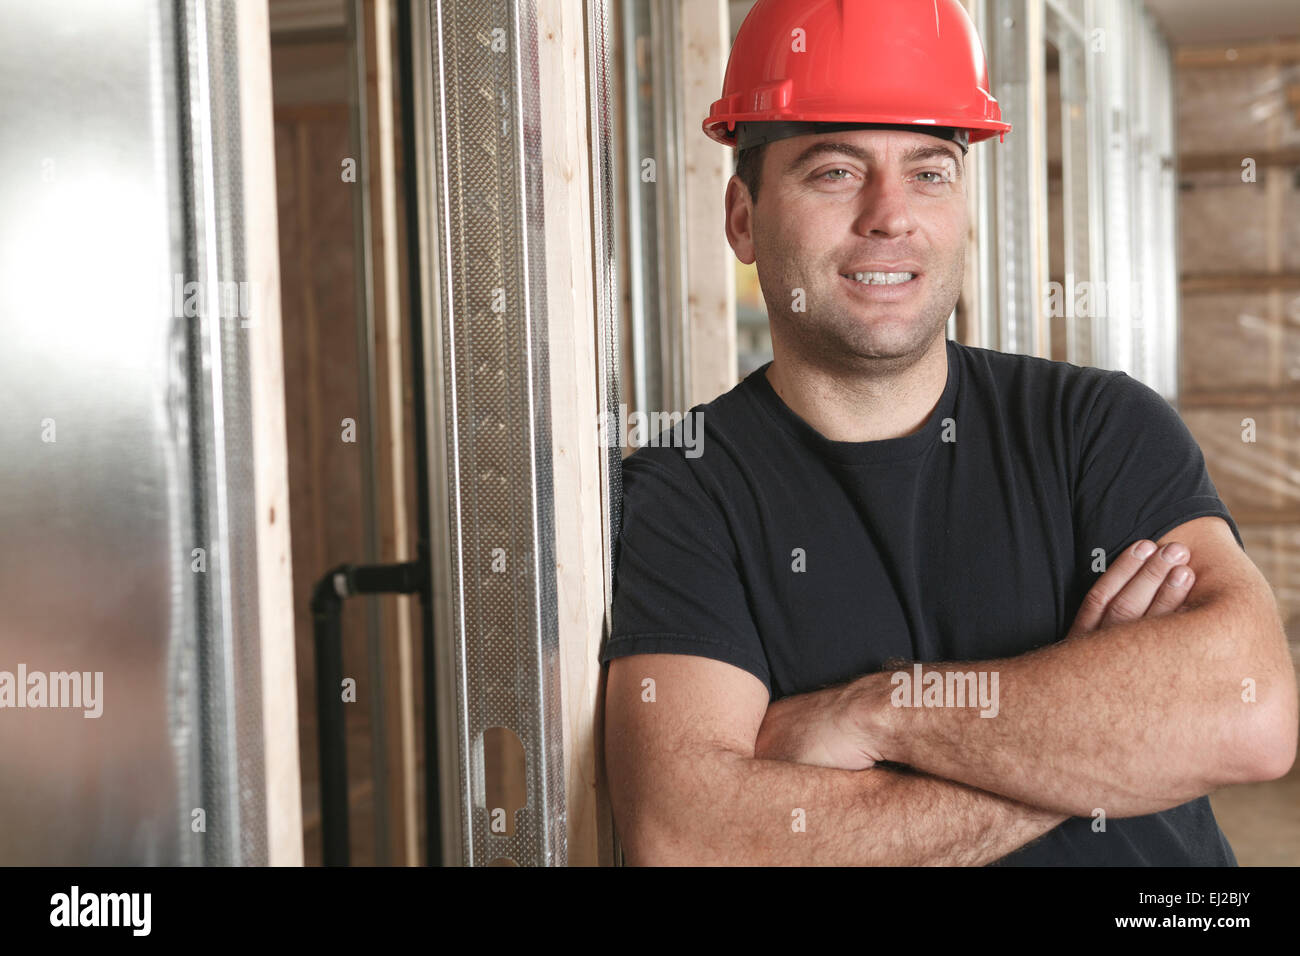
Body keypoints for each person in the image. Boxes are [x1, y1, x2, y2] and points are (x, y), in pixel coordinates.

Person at [599, 0, 1297, 865]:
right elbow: (688, 840)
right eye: (835, 171)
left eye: (930, 172)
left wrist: (880, 711)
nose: (891, 215)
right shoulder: (684, 491)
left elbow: (1250, 709)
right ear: (743, 216)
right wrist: (1097, 737)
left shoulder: (1098, 427)